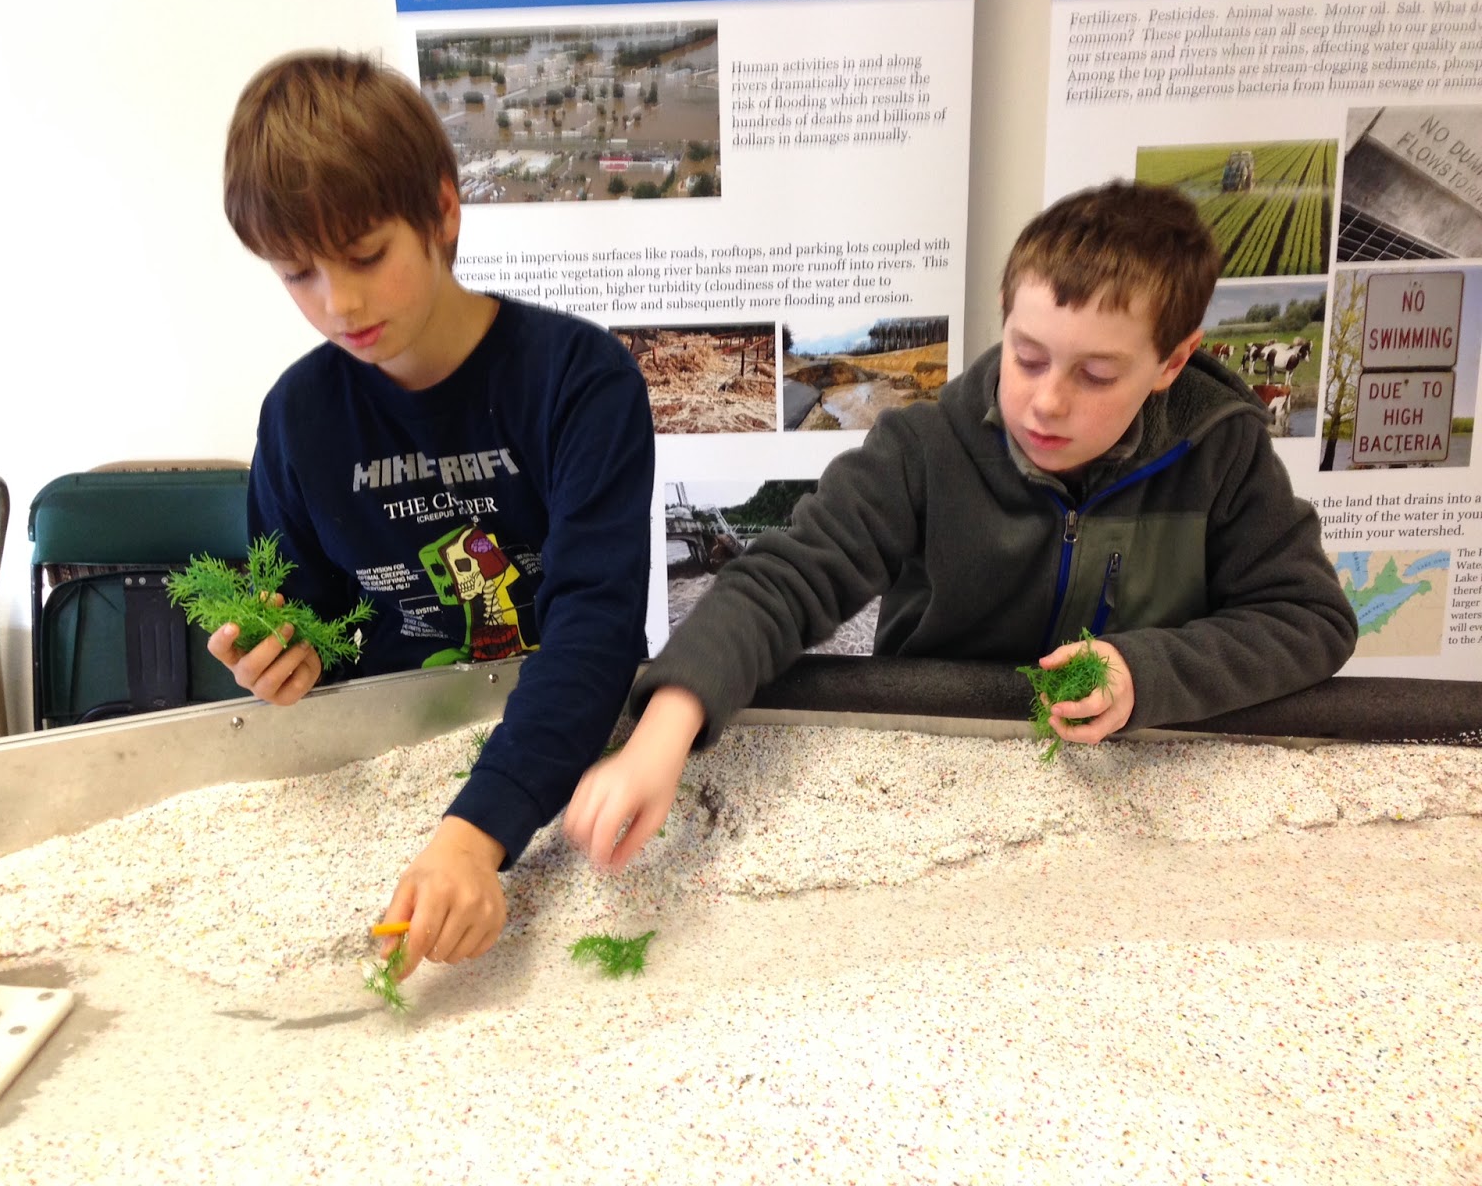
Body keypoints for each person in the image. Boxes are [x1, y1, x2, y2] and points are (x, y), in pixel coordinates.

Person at [564, 179, 1357, 870]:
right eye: (1028, 356)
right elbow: (784, 578)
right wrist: (665, 727)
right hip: (934, 761)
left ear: (1173, 364)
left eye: (1097, 375)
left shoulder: (1223, 451)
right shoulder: (921, 450)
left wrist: (1145, 673)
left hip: (1136, 783)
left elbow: (1310, 619)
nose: (1047, 401)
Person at [214, 50, 654, 970]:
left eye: (367, 256)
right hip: (390, 766)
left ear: (443, 213)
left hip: (561, 754)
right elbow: (303, 616)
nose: (341, 303)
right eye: (298, 274)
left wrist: (474, 833)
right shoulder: (297, 417)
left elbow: (595, 631)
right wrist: (277, 656)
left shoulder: (579, 381)